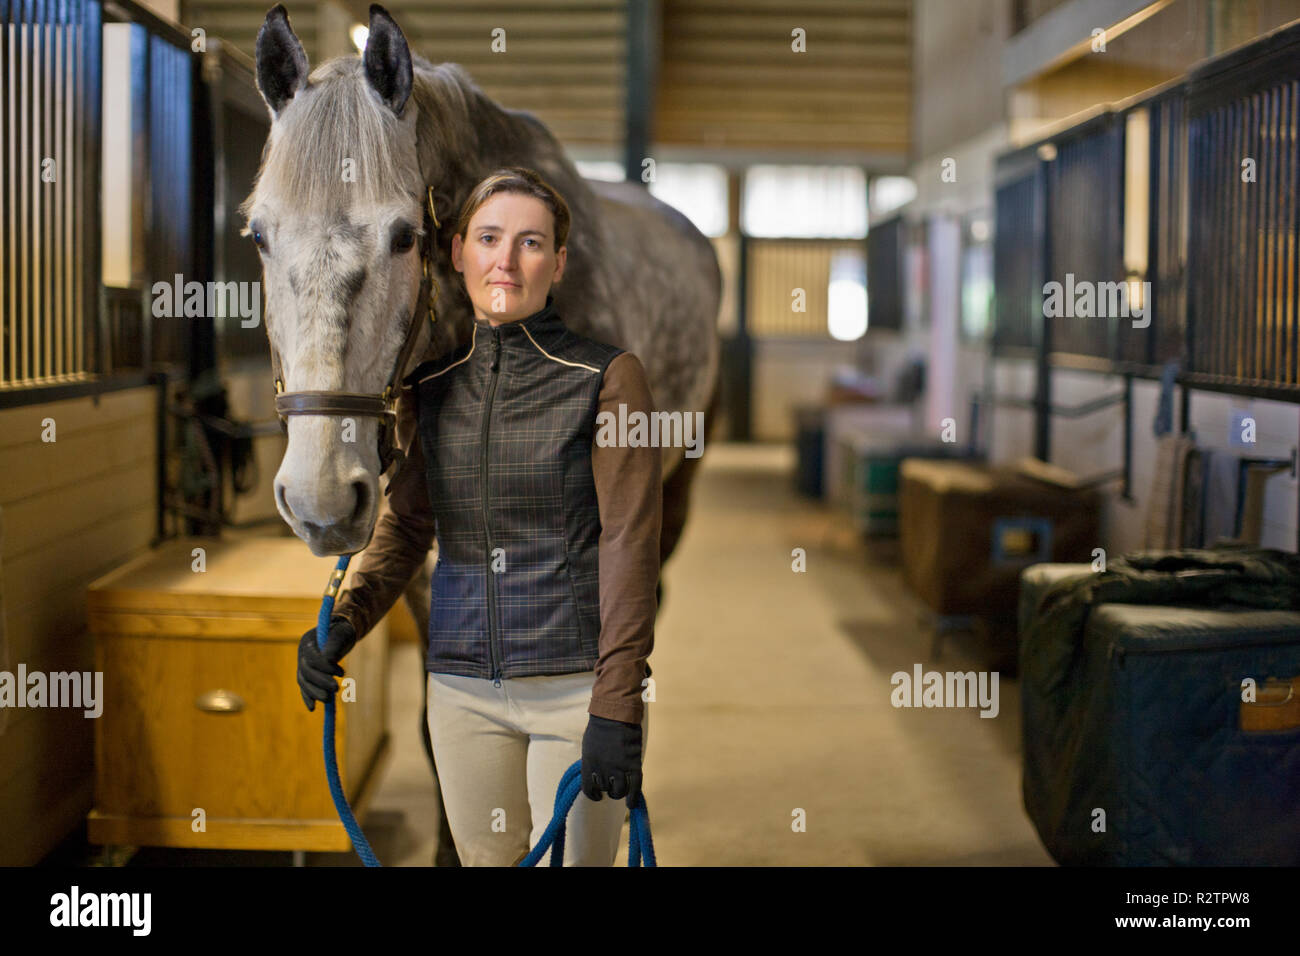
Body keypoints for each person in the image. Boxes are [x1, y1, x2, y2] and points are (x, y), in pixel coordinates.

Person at [295, 166, 661, 866]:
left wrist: (617, 700)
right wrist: (345, 623)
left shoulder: (608, 378)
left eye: (530, 243)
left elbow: (630, 543)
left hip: (573, 688)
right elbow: (407, 527)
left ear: (557, 264)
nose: (506, 259)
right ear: (458, 251)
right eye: (490, 238)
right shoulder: (429, 388)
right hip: (461, 690)